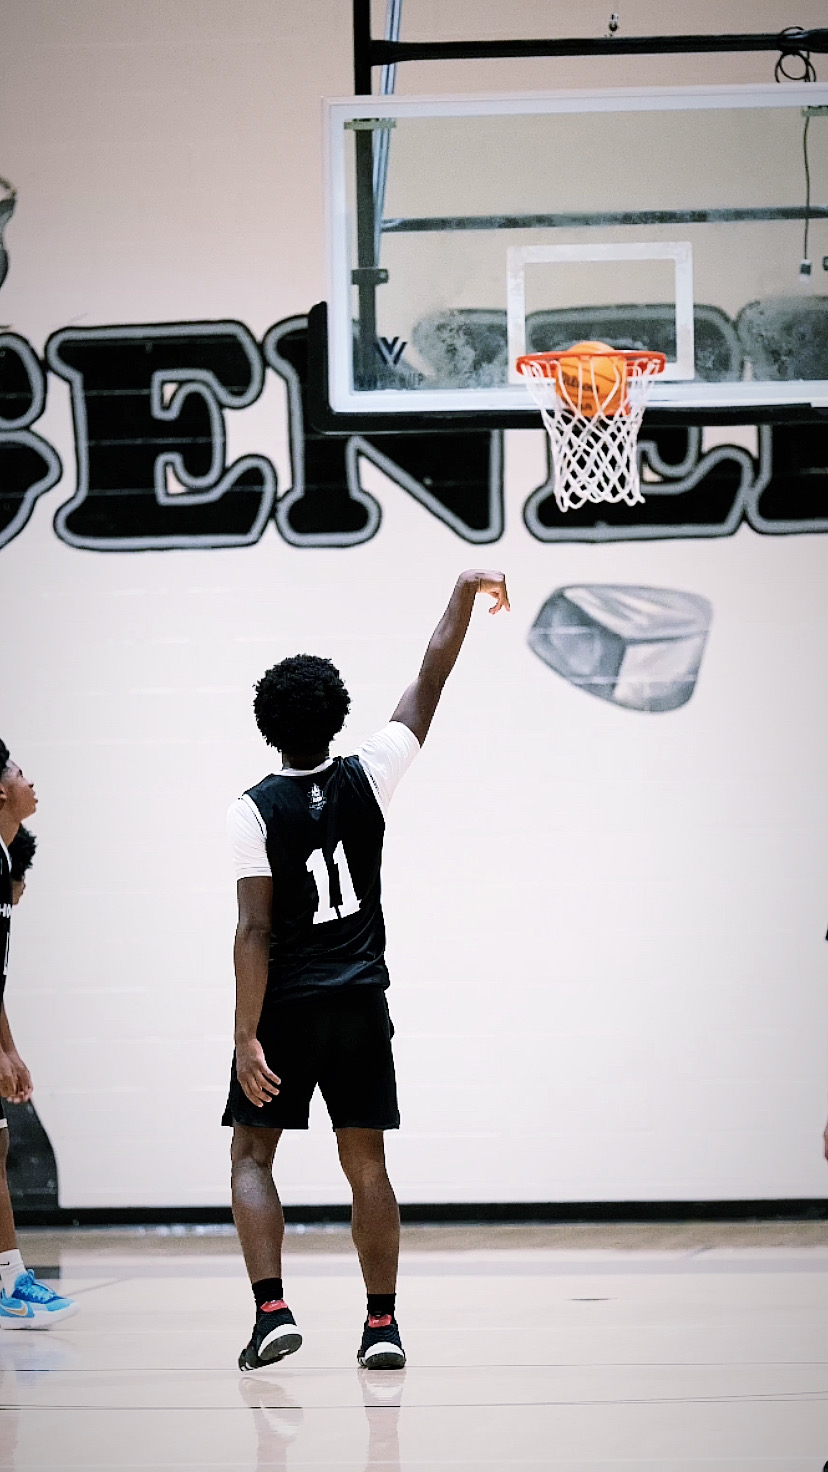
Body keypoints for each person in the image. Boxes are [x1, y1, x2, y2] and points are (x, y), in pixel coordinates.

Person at [224, 569, 510, 1372]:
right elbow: (429, 677)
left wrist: (245, 1036)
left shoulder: (252, 808)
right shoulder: (370, 772)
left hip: (285, 1008)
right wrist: (460, 594)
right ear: (337, 715)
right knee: (368, 1164)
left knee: (251, 1159)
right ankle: (381, 1327)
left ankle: (273, 1312)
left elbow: (253, 929)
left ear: (268, 725)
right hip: (360, 1003)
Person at [0, 743, 77, 1327]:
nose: (32, 782)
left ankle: (10, 1277)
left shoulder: (5, 862)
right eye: (21, 772)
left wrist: (9, 1048)